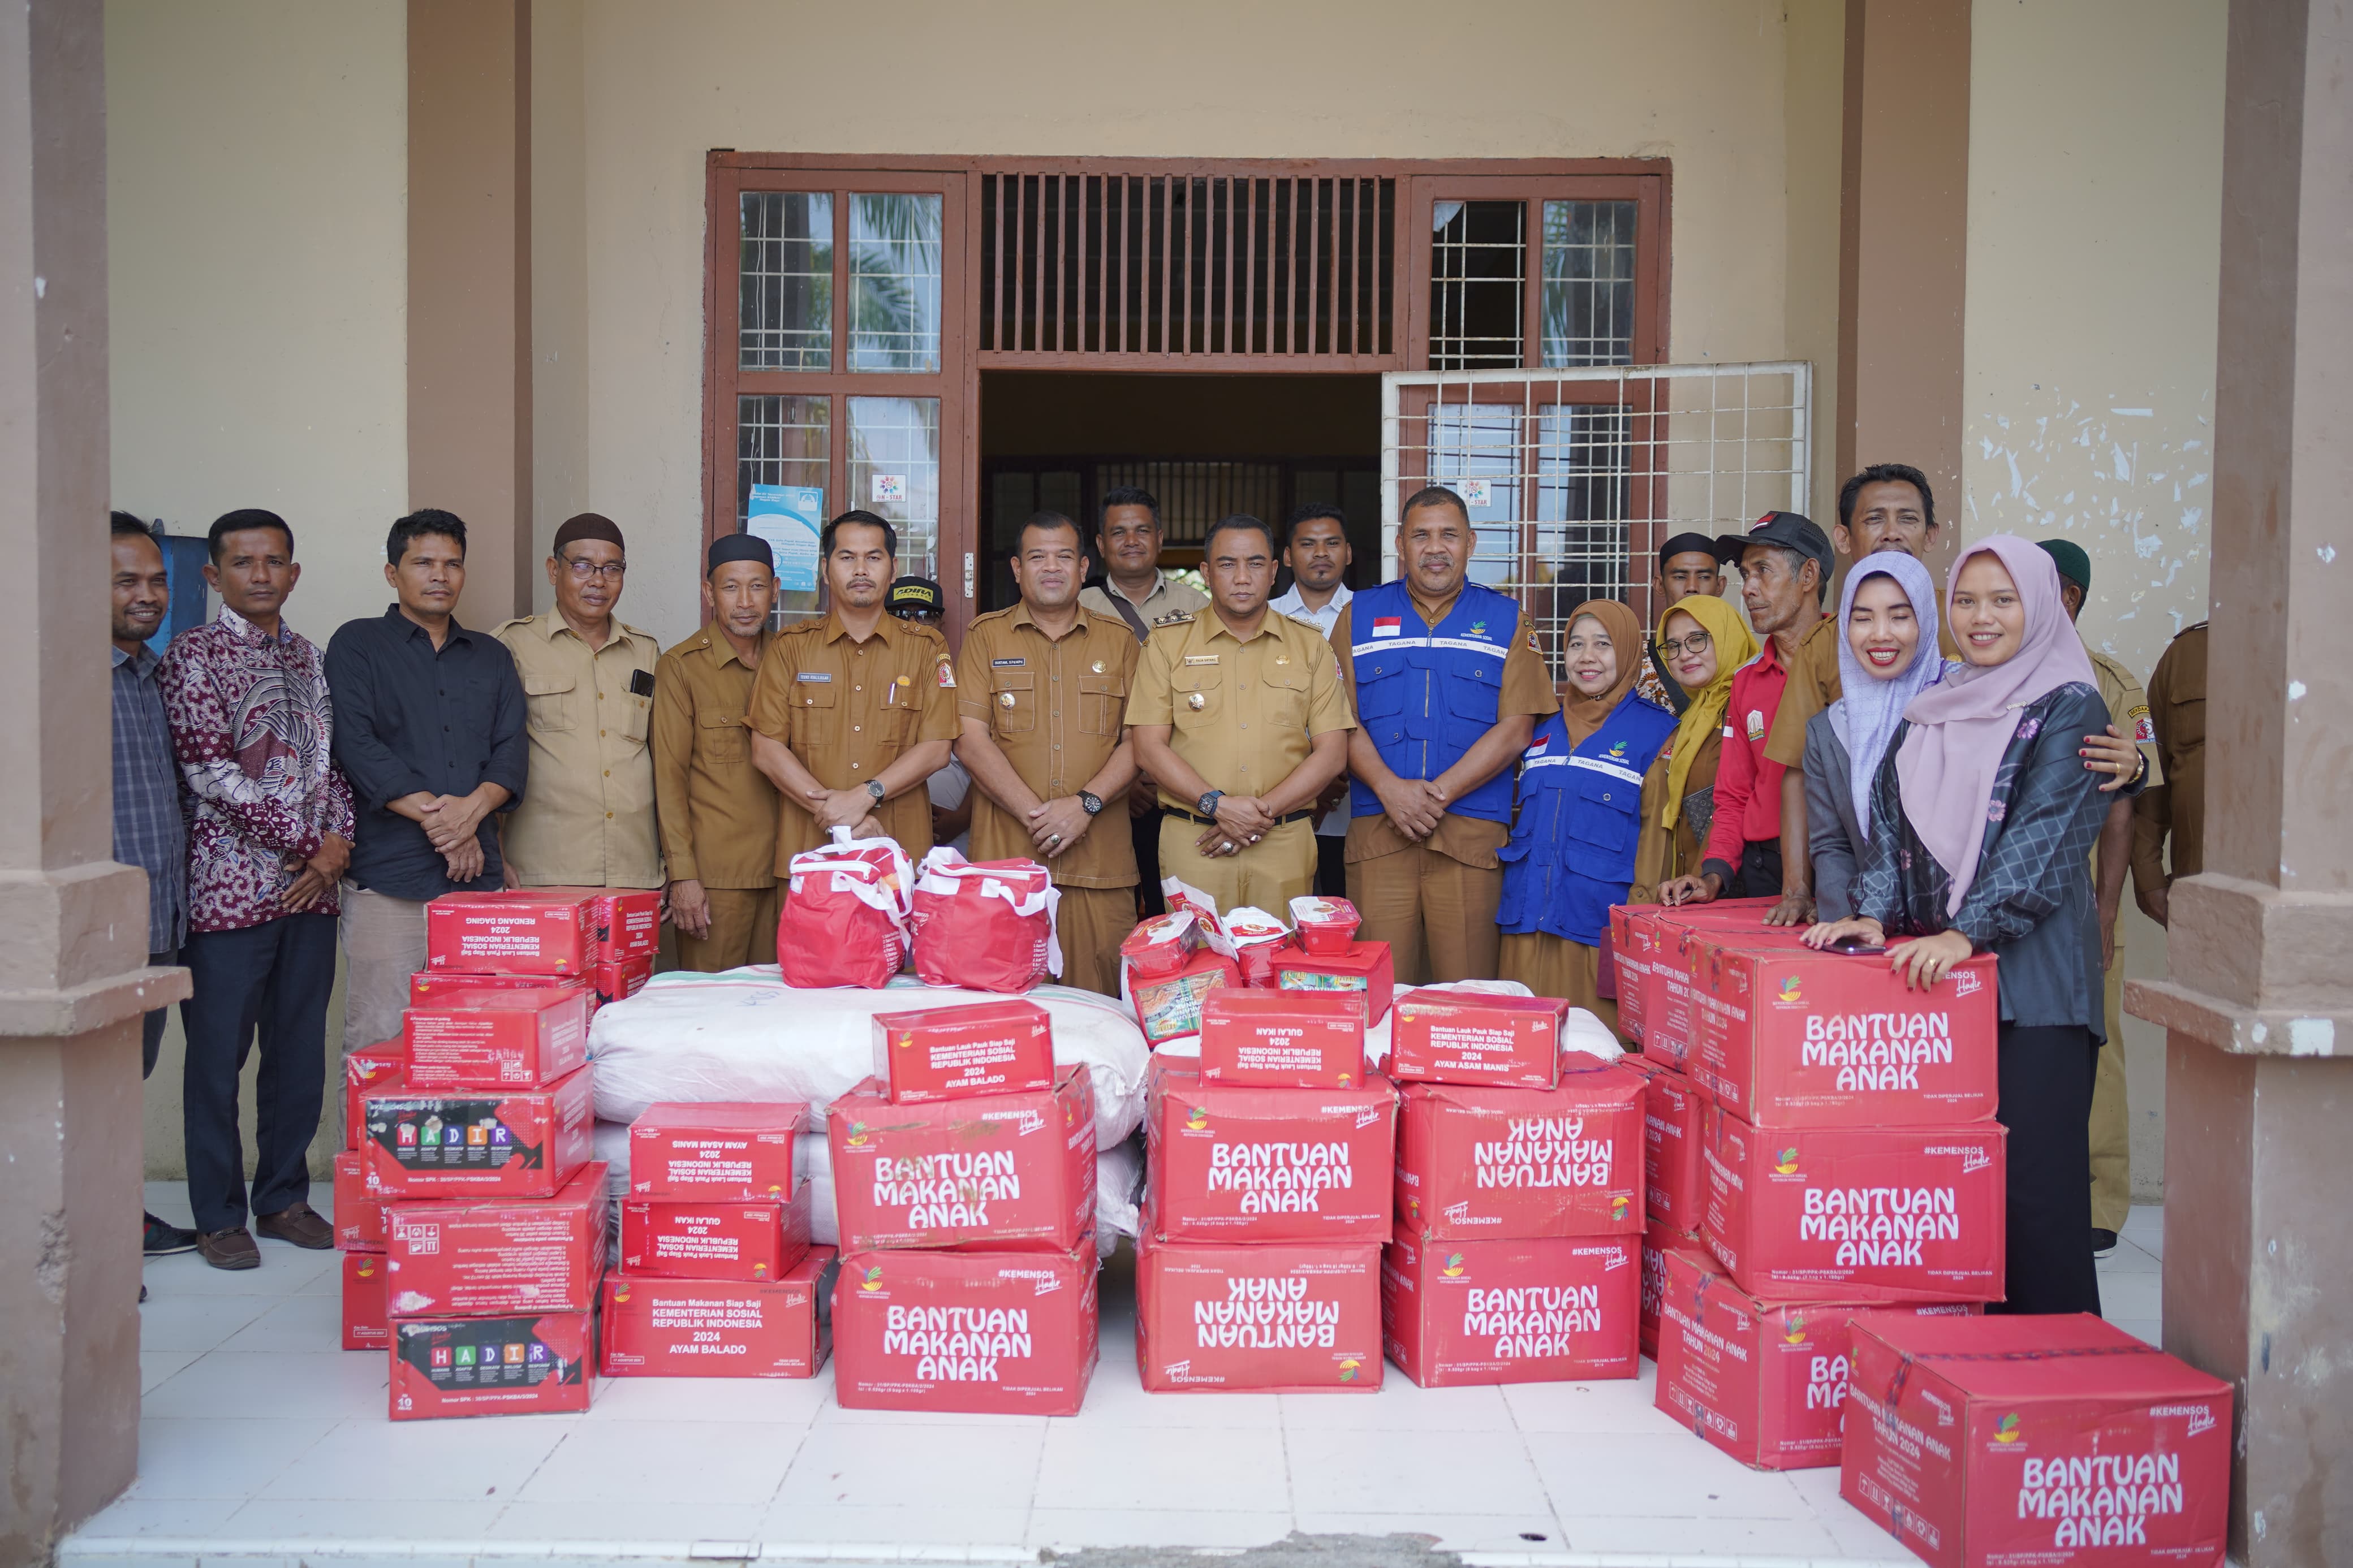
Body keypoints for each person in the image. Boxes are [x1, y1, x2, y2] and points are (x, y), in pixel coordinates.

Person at [1807, 536, 2145, 1316]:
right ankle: (1980, 1397)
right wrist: (1872, 913)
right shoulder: (1936, 705)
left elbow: (2047, 834)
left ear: (2041, 606)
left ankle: (2060, 1384)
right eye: (1967, 600)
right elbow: (1894, 829)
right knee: (1962, 1199)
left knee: (2035, 1200)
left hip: (2033, 992)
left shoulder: (2072, 706)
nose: (1982, 617)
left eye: (2004, 600)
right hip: (1946, 991)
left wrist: (1969, 932)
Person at [162, 509, 352, 1269]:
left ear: (294, 573)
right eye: (243, 563)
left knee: (298, 1051)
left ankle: (282, 1198)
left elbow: (331, 767)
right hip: (228, 895)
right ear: (214, 575)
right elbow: (211, 773)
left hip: (313, 894)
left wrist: (336, 846)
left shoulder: (309, 658)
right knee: (217, 1058)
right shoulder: (192, 657)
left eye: (274, 561)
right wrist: (315, 844)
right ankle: (218, 1215)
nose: (261, 574)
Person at [1329, 487, 1556, 983]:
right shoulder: (1358, 616)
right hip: (1380, 835)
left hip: (1470, 839)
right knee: (1380, 995)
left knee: (1467, 996)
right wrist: (1391, 790)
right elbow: (1335, 720)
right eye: (1421, 535)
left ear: (1471, 542)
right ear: (1400, 544)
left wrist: (1437, 795)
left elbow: (1518, 727)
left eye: (1449, 535)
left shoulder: (1506, 619)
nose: (1436, 548)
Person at [328, 511, 529, 1055]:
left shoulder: (491, 657)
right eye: (423, 562)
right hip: (389, 882)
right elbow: (358, 747)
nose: (440, 575)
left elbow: (511, 752)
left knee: (476, 1041)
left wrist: (472, 815)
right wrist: (452, 826)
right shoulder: (357, 645)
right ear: (393, 572)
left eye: (452, 564)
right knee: (380, 1040)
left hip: (476, 886)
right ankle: (368, 1147)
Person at [954, 512, 1143, 995]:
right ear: (1017, 569)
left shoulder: (1121, 641)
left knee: (1101, 1006)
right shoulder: (985, 637)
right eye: (1038, 557)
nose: (1051, 567)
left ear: (1084, 568)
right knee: (1002, 1007)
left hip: (1099, 867)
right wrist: (1037, 815)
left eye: (1064, 557)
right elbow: (970, 739)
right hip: (1007, 869)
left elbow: (1141, 739)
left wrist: (1085, 806)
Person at [1129, 513, 1354, 913]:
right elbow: (1148, 748)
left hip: (1283, 841)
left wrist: (1255, 816)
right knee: (1200, 970)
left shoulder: (1311, 647)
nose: (1242, 577)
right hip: (1195, 840)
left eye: (1254, 564)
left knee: (1278, 965)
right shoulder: (1167, 645)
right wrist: (1218, 806)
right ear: (1206, 572)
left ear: (1272, 571)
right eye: (1227, 564)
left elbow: (1333, 752)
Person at [2041, 538, 2163, 1255]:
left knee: (2099, 1043)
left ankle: (2098, 1199)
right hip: (2017, 894)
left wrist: (2107, 909)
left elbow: (2128, 802)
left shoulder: (2113, 685)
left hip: (2087, 893)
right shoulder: (1986, 674)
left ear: (2070, 600)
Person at [1763, 465, 1952, 921]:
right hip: (1862, 887)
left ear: (1931, 534)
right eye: (1874, 519)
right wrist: (1798, 888)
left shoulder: (1965, 622)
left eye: (1907, 519)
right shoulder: (1824, 642)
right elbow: (1801, 767)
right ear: (1844, 538)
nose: (1891, 534)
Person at [1496, 601, 1678, 1031]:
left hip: (1598, 933)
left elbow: (1656, 841)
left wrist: (1638, 930)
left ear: (1630, 651)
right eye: (1576, 644)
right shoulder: (1539, 730)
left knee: (1593, 1056)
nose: (1587, 657)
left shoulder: (1657, 733)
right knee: (1521, 1050)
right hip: (1526, 928)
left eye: (1603, 644)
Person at [747, 511, 958, 873]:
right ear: (827, 571)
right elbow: (766, 749)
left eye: (873, 558)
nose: (861, 570)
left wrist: (867, 794)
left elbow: (937, 749)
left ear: (892, 571)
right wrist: (839, 818)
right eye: (847, 558)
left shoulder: (927, 647)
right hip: (811, 855)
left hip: (899, 854)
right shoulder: (790, 647)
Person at [1657, 511, 1834, 915]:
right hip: (1761, 870)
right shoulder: (1746, 681)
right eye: (1745, 574)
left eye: (1763, 572)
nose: (1748, 589)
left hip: (1839, 867)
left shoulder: (1850, 665)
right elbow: (1734, 797)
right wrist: (1713, 876)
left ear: (1808, 576)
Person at [109, 512, 197, 1259]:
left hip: (158, 922)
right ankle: (92, 1243)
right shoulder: (63, 688)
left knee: (123, 1082)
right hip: (97, 931)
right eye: (127, 581)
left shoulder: (148, 673)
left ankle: (117, 1219)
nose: (149, 595)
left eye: (157, 580)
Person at [494, 512, 663, 891]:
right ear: (554, 570)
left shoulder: (646, 651)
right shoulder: (513, 645)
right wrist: (496, 855)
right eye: (583, 566)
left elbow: (665, 759)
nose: (598, 581)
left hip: (633, 869)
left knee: (631, 956)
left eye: (612, 568)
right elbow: (487, 754)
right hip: (543, 870)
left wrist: (668, 863)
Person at [652, 534, 785, 971]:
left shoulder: (792, 660)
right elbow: (668, 780)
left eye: (757, 586)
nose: (745, 601)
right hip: (717, 880)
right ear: (709, 593)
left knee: (779, 1013)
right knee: (710, 1015)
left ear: (776, 590)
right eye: (731, 587)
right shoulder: (682, 667)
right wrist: (684, 876)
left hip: (789, 872)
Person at [1801, 553, 1952, 922]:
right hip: (1869, 932)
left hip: (1963, 934)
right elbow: (1832, 845)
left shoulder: (1963, 700)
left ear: (1926, 622)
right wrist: (1847, 932)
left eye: (1900, 617)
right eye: (1863, 618)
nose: (1880, 634)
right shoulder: (1828, 729)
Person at [1079, 487, 1206, 918]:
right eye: (1118, 532)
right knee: (1109, 907)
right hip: (1103, 786)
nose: (1131, 540)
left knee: (1176, 905)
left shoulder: (1199, 607)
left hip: (1182, 787)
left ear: (1160, 538)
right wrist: (1124, 779)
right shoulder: (1080, 606)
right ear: (1100, 544)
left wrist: (1166, 776)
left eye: (1142, 530)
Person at [1268, 503, 1355, 897]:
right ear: (1287, 556)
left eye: (1332, 543)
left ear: (1348, 553)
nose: (1321, 553)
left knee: (1342, 919)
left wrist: (1333, 778)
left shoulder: (1370, 615)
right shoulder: (1262, 616)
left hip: (1352, 803)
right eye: (1308, 544)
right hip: (1275, 802)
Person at [1645, 593, 1755, 885]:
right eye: (1673, 646)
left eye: (1697, 639)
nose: (1684, 655)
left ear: (1726, 636)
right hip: (1692, 884)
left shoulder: (1753, 708)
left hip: (1738, 888)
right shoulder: (1693, 717)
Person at [885, 575, 975, 857]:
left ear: (941, 625)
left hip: (953, 842)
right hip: (883, 832)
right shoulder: (862, 681)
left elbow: (992, 760)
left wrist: (963, 817)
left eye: (925, 616)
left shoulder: (968, 683)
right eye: (900, 614)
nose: (912, 625)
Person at [2129, 620, 2208, 928]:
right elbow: (2153, 779)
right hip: (2200, 896)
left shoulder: (2328, 652)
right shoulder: (2188, 654)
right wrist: (2149, 880)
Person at [1634, 532, 1726, 715]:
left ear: (1720, 586)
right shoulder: (1636, 663)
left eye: (1704, 577)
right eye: (1680, 577)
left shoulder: (1738, 655)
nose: (1692, 587)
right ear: (1660, 585)